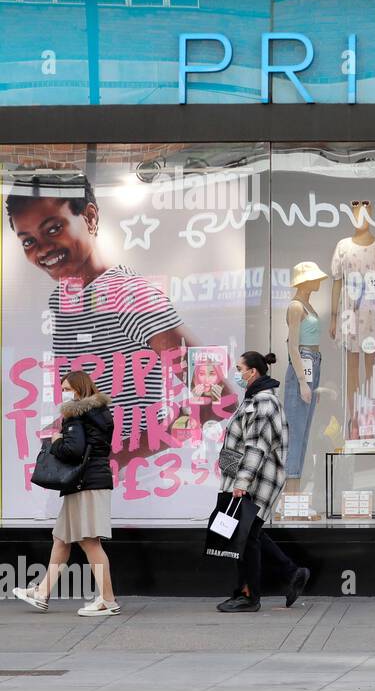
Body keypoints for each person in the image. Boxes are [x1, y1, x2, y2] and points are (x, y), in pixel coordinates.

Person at [7, 173, 208, 453]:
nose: (42, 249)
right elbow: (92, 398)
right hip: (80, 473)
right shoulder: (62, 302)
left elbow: (213, 400)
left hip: (132, 486)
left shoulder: (131, 295)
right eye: (28, 241)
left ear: (90, 217)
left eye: (53, 229)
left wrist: (120, 459)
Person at [11, 371, 119, 616]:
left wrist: (57, 440)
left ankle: (108, 601)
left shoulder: (76, 414)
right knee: (61, 538)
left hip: (85, 483)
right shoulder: (100, 413)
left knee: (90, 541)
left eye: (68, 388)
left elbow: (73, 450)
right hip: (88, 482)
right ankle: (42, 592)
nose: (65, 393)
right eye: (63, 388)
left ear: (80, 389)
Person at [216, 351, 296, 613]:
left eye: (240, 369)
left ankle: (249, 596)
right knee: (250, 534)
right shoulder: (254, 400)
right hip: (250, 479)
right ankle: (291, 574)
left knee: (246, 537)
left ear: (253, 372)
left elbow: (255, 448)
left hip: (256, 481)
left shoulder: (263, 403)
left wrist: (240, 482)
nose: (237, 374)